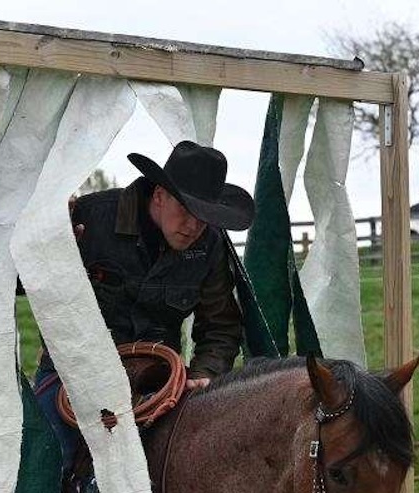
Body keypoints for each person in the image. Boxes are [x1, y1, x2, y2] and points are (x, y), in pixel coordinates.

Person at [33, 140, 256, 468]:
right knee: (47, 463)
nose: (194, 227)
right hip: (72, 374)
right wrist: (43, 244)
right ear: (159, 195)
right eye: (186, 210)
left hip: (158, 379)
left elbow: (220, 324)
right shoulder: (89, 217)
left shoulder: (210, 244)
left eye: (204, 217)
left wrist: (205, 373)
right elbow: (26, 285)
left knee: (201, 468)